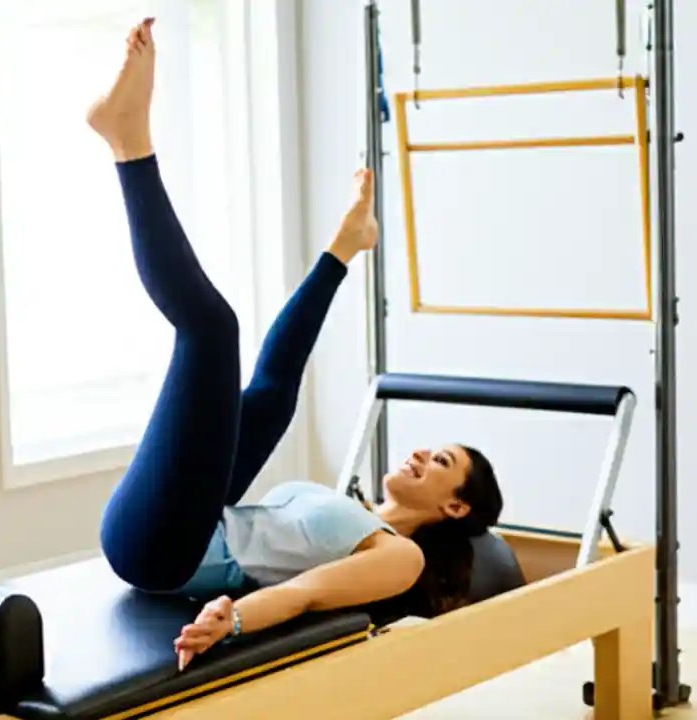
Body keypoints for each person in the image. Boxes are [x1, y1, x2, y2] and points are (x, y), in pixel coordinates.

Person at [85, 18, 504, 671]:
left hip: (165, 551)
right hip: (191, 526)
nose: (423, 451)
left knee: (211, 330)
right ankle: (345, 246)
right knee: (274, 394)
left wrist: (233, 618)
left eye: (444, 460)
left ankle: (128, 142)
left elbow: (307, 592)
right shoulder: (357, 505)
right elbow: (271, 399)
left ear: (455, 505)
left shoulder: (401, 555)